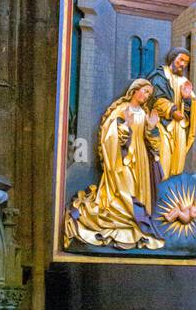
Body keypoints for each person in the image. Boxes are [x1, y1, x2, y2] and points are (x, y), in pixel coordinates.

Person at [64, 78, 165, 250]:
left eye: (149, 93)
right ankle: (124, 218)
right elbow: (109, 138)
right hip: (122, 160)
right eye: (145, 91)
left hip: (141, 160)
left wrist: (151, 128)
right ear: (134, 90)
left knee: (139, 192)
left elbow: (154, 143)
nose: (146, 96)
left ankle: (136, 222)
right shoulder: (120, 111)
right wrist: (125, 125)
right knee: (125, 189)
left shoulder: (144, 113)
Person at [147, 46, 196, 178]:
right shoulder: (160, 75)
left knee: (178, 165)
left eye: (186, 63)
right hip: (163, 127)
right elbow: (156, 99)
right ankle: (159, 193)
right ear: (173, 58)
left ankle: (170, 193)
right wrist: (172, 111)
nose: (183, 64)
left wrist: (187, 98)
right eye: (181, 60)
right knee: (163, 162)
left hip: (179, 129)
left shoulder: (184, 82)